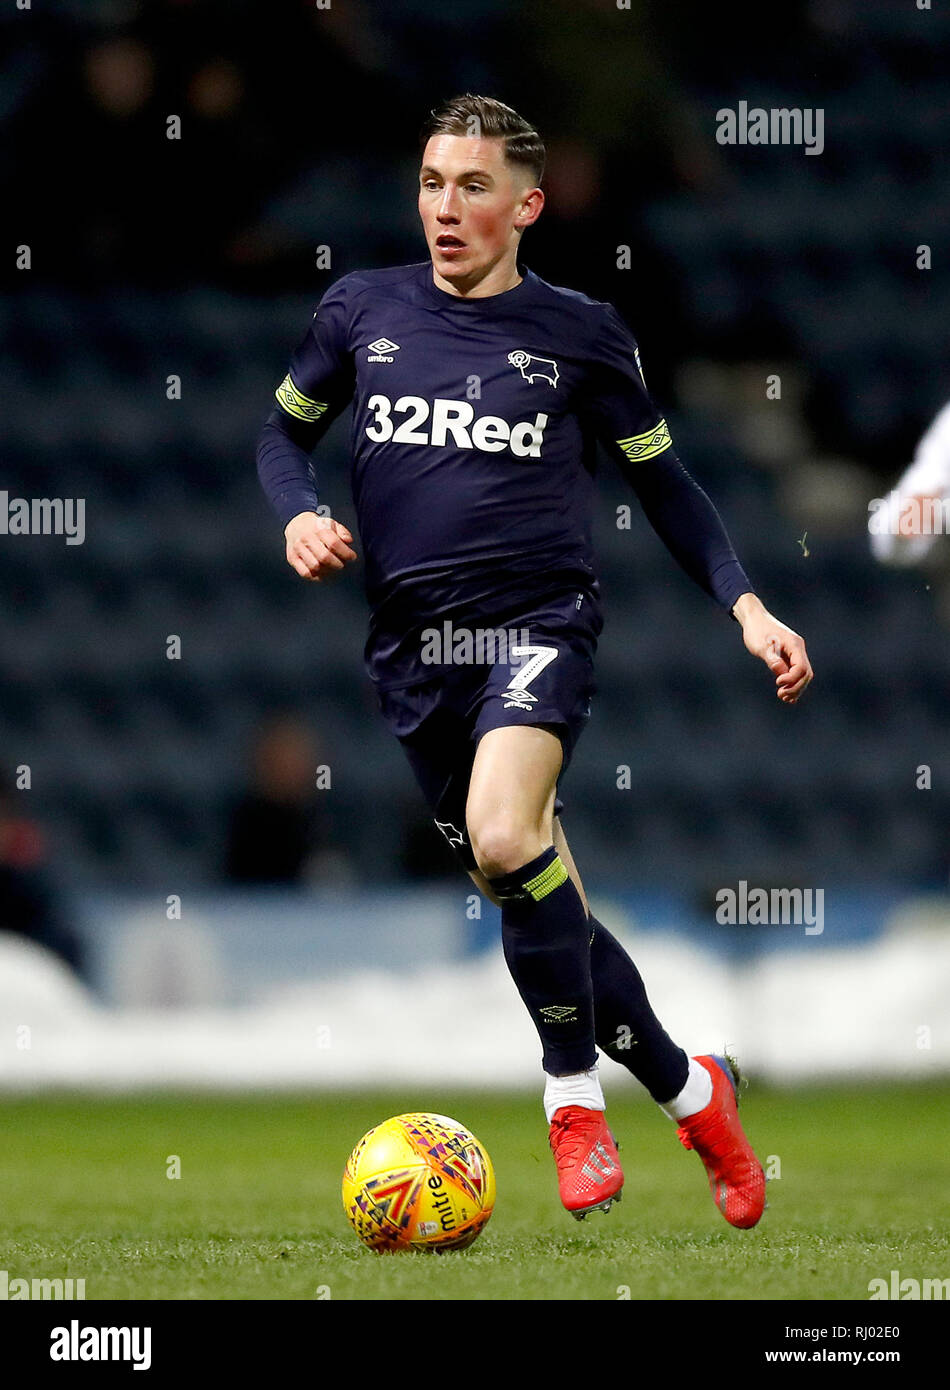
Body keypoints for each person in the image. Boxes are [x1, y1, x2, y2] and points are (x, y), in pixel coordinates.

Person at [256, 94, 813, 1226]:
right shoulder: (360, 309)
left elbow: (665, 483)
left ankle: (569, 1101)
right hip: (413, 657)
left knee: (510, 836)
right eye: (428, 183)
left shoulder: (581, 333)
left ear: (527, 204)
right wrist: (294, 511)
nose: (444, 208)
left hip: (538, 626)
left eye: (470, 187)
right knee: (531, 891)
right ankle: (692, 1090)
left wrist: (746, 606)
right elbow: (281, 433)